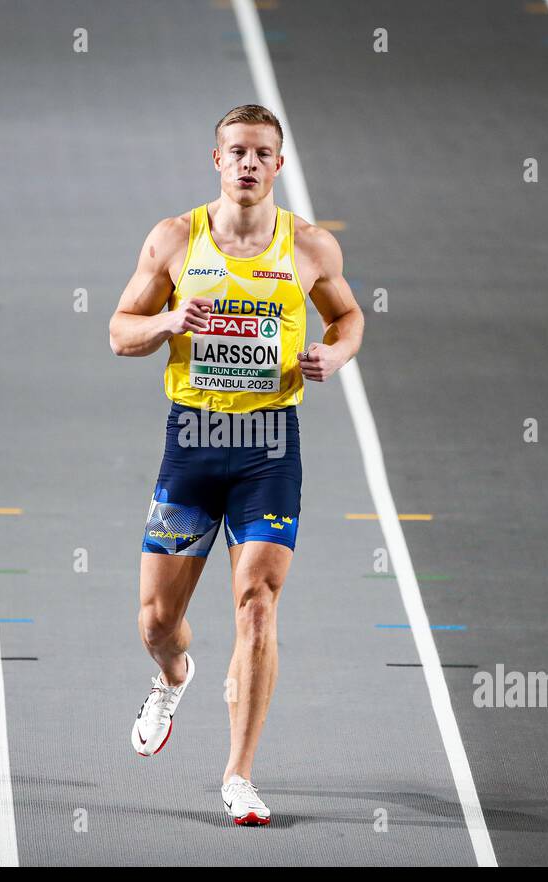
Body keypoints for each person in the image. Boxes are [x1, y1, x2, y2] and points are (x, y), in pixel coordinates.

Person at [108, 104, 364, 826]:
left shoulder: (309, 247)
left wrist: (336, 354)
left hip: (269, 449)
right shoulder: (175, 240)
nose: (248, 164)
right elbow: (118, 332)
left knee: (257, 605)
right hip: (191, 442)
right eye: (236, 152)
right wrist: (165, 322)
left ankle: (240, 775)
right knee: (158, 621)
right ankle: (172, 676)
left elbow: (349, 317)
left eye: (261, 153)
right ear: (215, 160)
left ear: (279, 165)